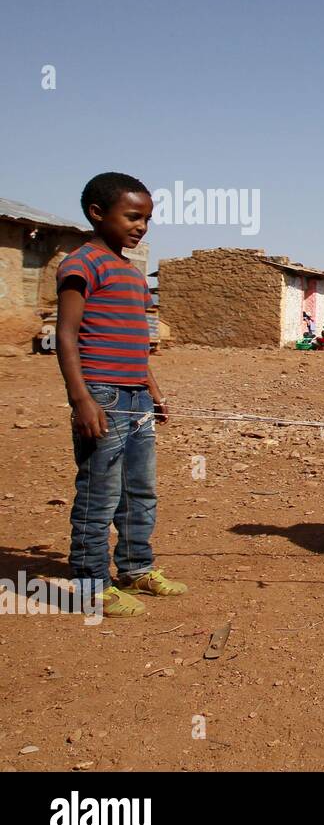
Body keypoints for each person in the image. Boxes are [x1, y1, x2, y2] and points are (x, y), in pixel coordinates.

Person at [54, 172, 188, 618]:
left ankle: (135, 568)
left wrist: (153, 388)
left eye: (147, 219)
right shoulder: (82, 263)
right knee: (99, 493)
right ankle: (91, 585)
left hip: (136, 398)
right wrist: (82, 400)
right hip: (103, 397)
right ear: (97, 213)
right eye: (132, 216)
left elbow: (133, 343)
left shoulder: (130, 272)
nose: (141, 226)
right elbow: (67, 335)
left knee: (140, 490)